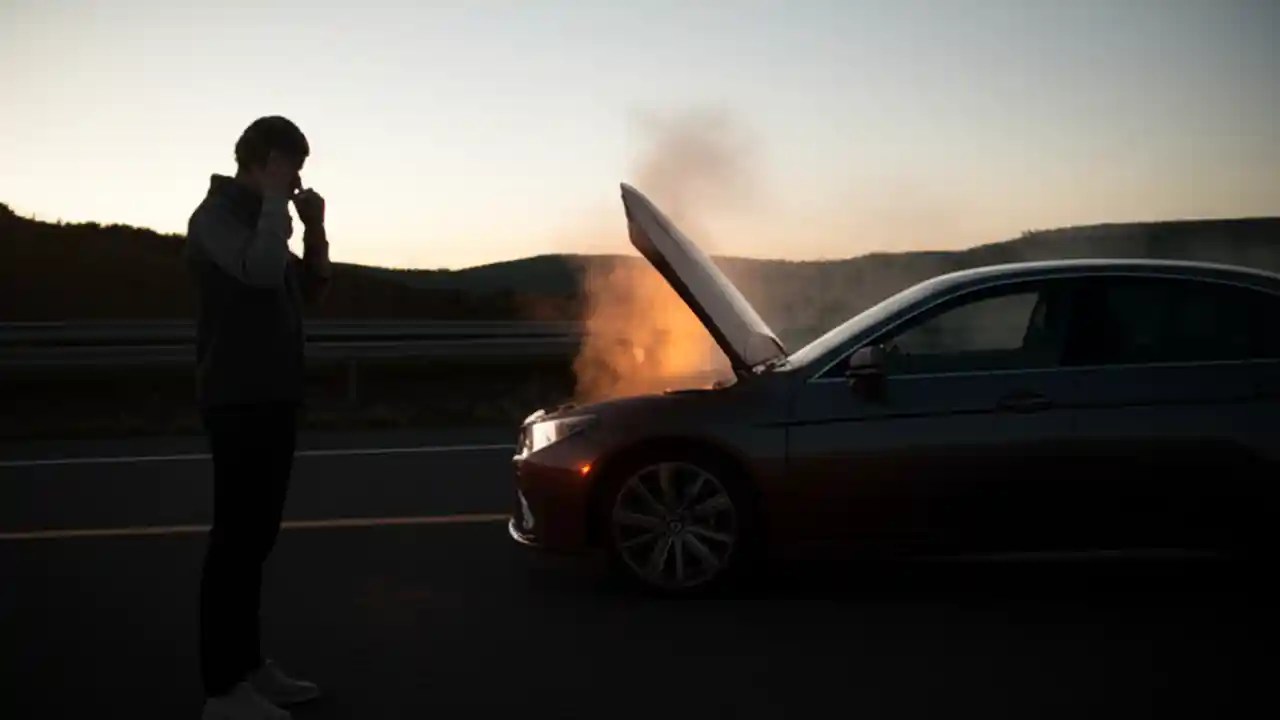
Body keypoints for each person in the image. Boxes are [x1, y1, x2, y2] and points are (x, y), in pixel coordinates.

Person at [185, 116, 332, 720]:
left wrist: (316, 230)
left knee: (257, 541)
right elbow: (262, 272)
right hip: (237, 398)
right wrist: (276, 206)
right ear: (263, 159)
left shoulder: (265, 217)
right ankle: (222, 692)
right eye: (291, 163)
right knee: (235, 543)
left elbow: (310, 289)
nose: (298, 175)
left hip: (274, 396)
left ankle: (249, 669)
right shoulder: (214, 217)